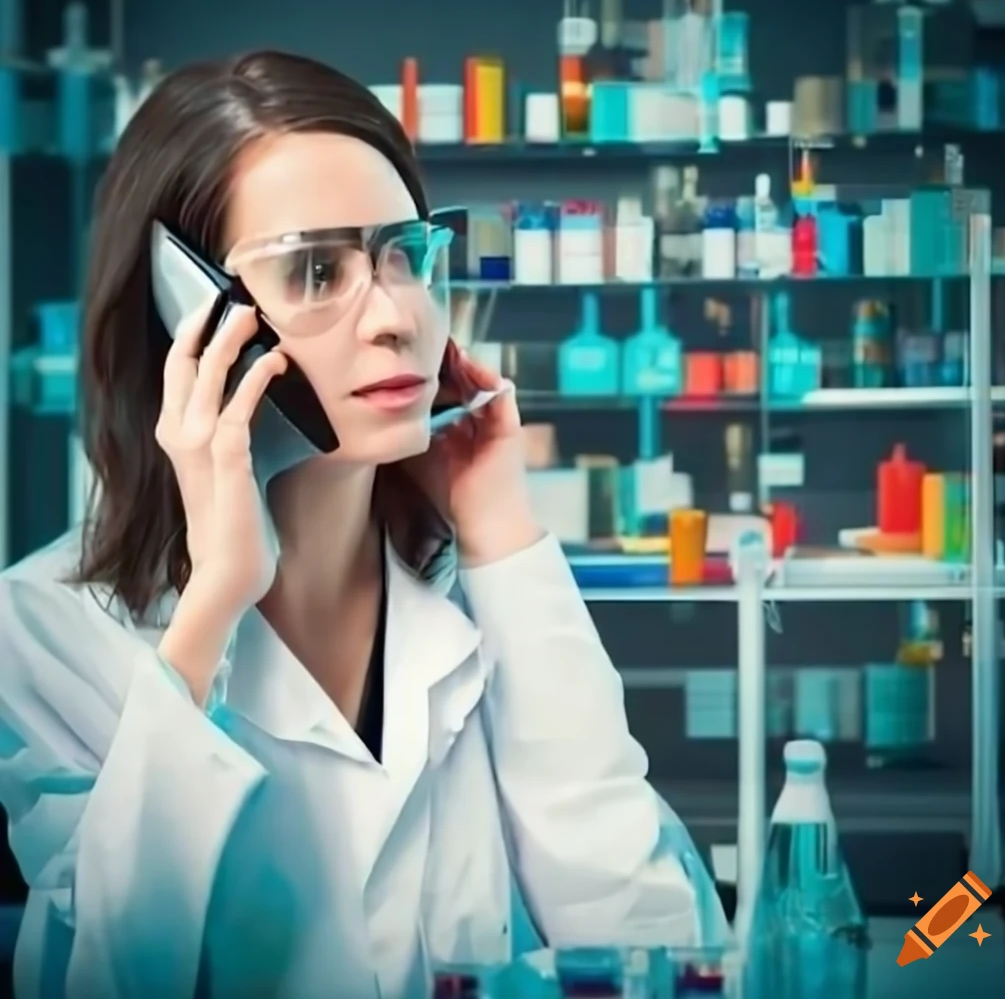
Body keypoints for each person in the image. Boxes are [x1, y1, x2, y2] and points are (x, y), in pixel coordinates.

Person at [0, 51, 703, 999]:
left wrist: (502, 535)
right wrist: (209, 611)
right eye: (319, 269)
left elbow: (649, 934)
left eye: (406, 255)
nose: (397, 315)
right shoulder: (40, 631)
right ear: (188, 309)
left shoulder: (478, 576)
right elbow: (110, 978)